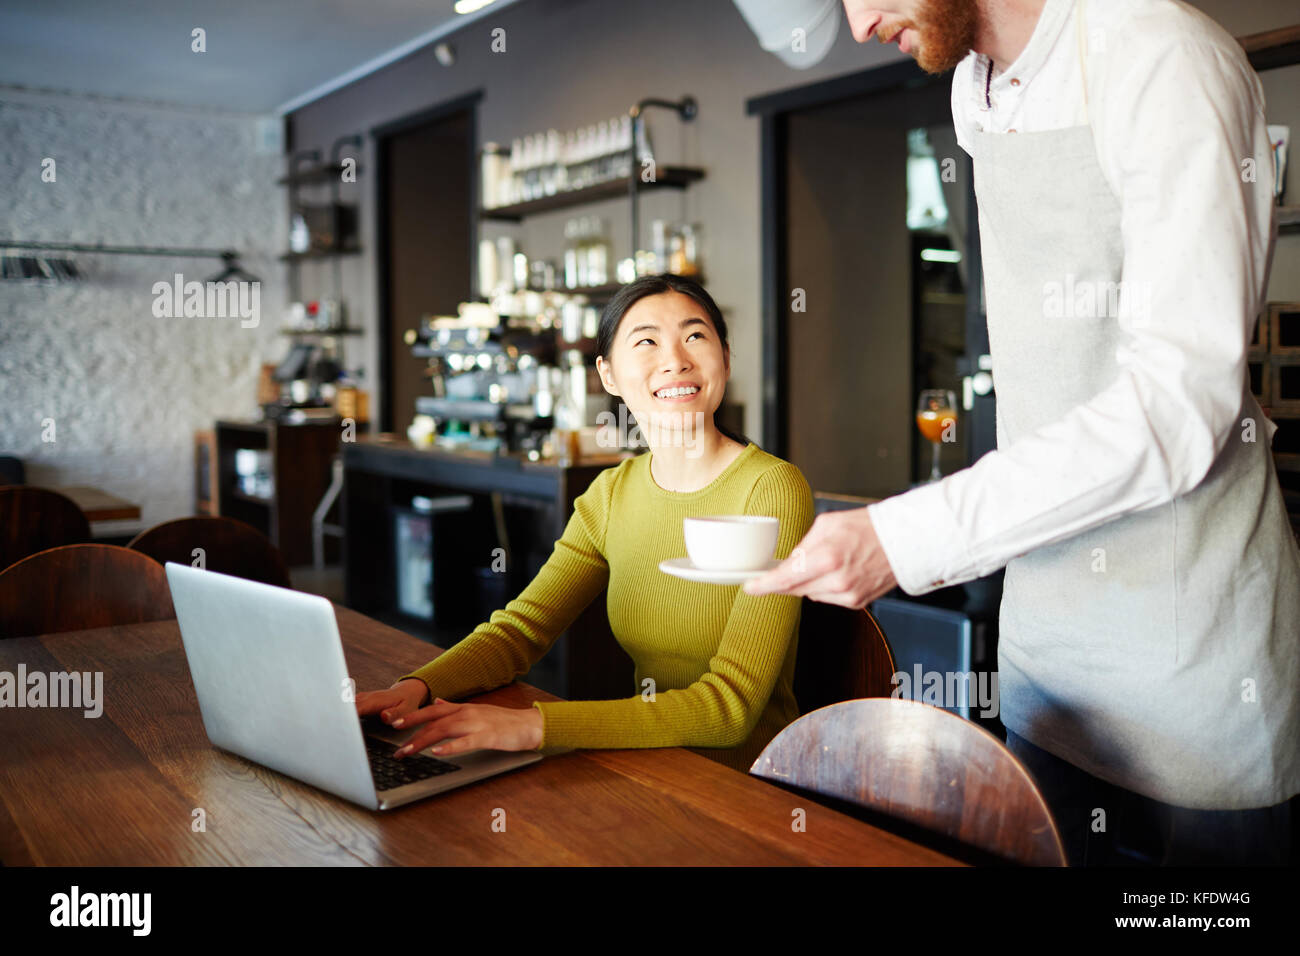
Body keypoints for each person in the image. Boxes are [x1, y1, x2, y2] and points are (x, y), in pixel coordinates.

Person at [744, 0, 1300, 865]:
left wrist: (905, 536)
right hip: (1046, 667)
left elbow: (1178, 405)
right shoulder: (976, 89)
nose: (855, 25)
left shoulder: (1161, 55)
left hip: (1192, 670)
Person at [356, 274, 815, 773]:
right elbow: (520, 631)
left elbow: (730, 711)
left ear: (725, 357)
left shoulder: (771, 488)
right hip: (648, 769)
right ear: (608, 374)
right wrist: (414, 689)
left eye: (695, 336)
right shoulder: (610, 493)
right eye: (646, 341)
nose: (675, 359)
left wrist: (534, 726)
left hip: (749, 788)